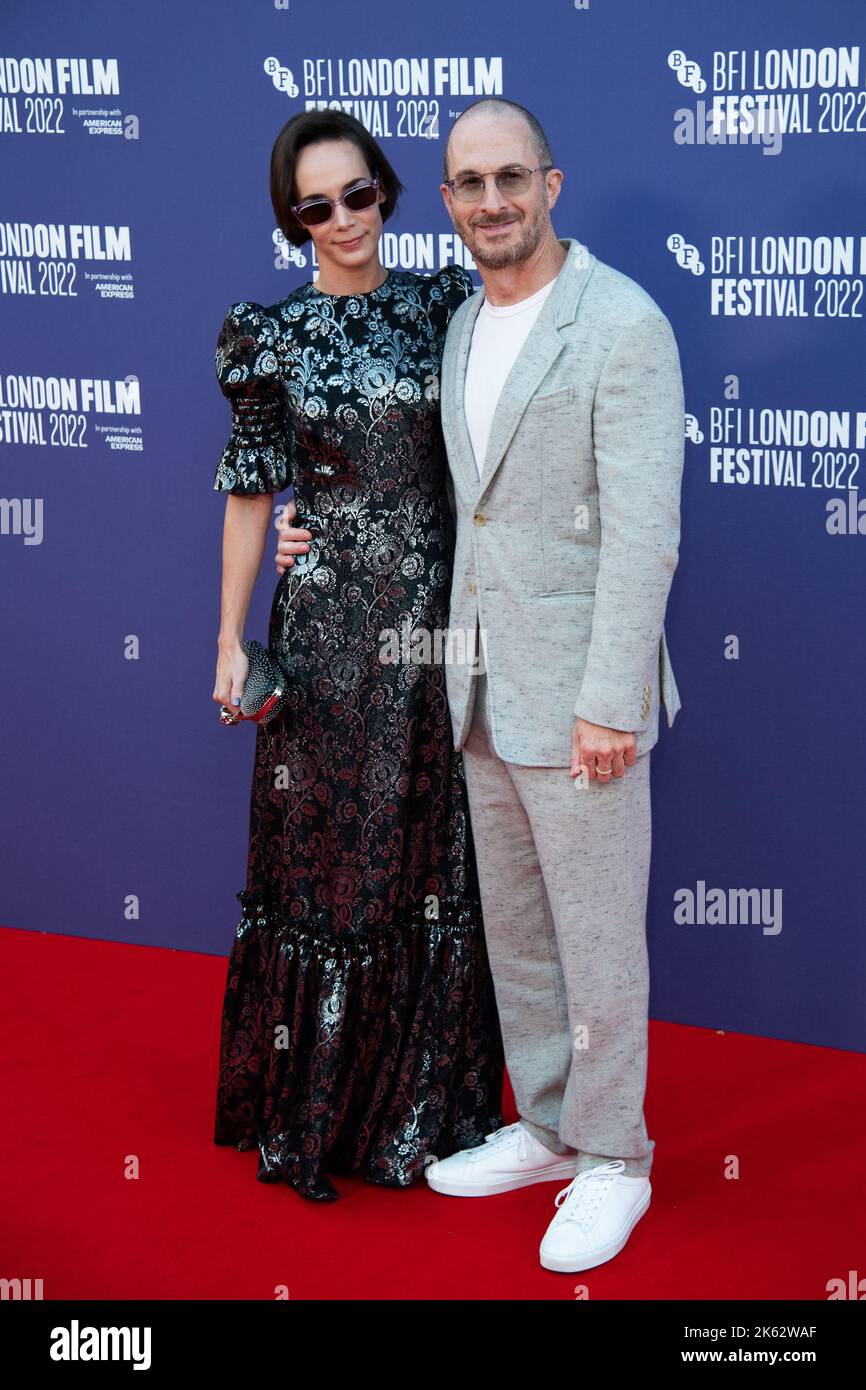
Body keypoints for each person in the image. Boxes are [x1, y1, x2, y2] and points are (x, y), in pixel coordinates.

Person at [277, 97, 686, 1271]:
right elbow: (448, 497)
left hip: (581, 701)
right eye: (467, 183)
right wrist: (317, 527)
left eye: (510, 176)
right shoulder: (458, 327)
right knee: (521, 933)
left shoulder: (619, 324)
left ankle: (616, 1155)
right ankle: (553, 1126)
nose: (490, 201)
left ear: (550, 184)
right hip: (477, 686)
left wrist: (609, 698)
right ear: (447, 203)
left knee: (600, 936)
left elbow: (643, 534)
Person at [211, 108, 505, 1203]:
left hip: (435, 625)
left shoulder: (443, 301)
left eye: (356, 194)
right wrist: (230, 643)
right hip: (327, 629)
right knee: (330, 862)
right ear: (292, 220)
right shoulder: (268, 335)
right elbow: (250, 496)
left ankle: (426, 1105)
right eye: (313, 206)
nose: (341, 219)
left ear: (385, 190)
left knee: (429, 856)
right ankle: (317, 1108)